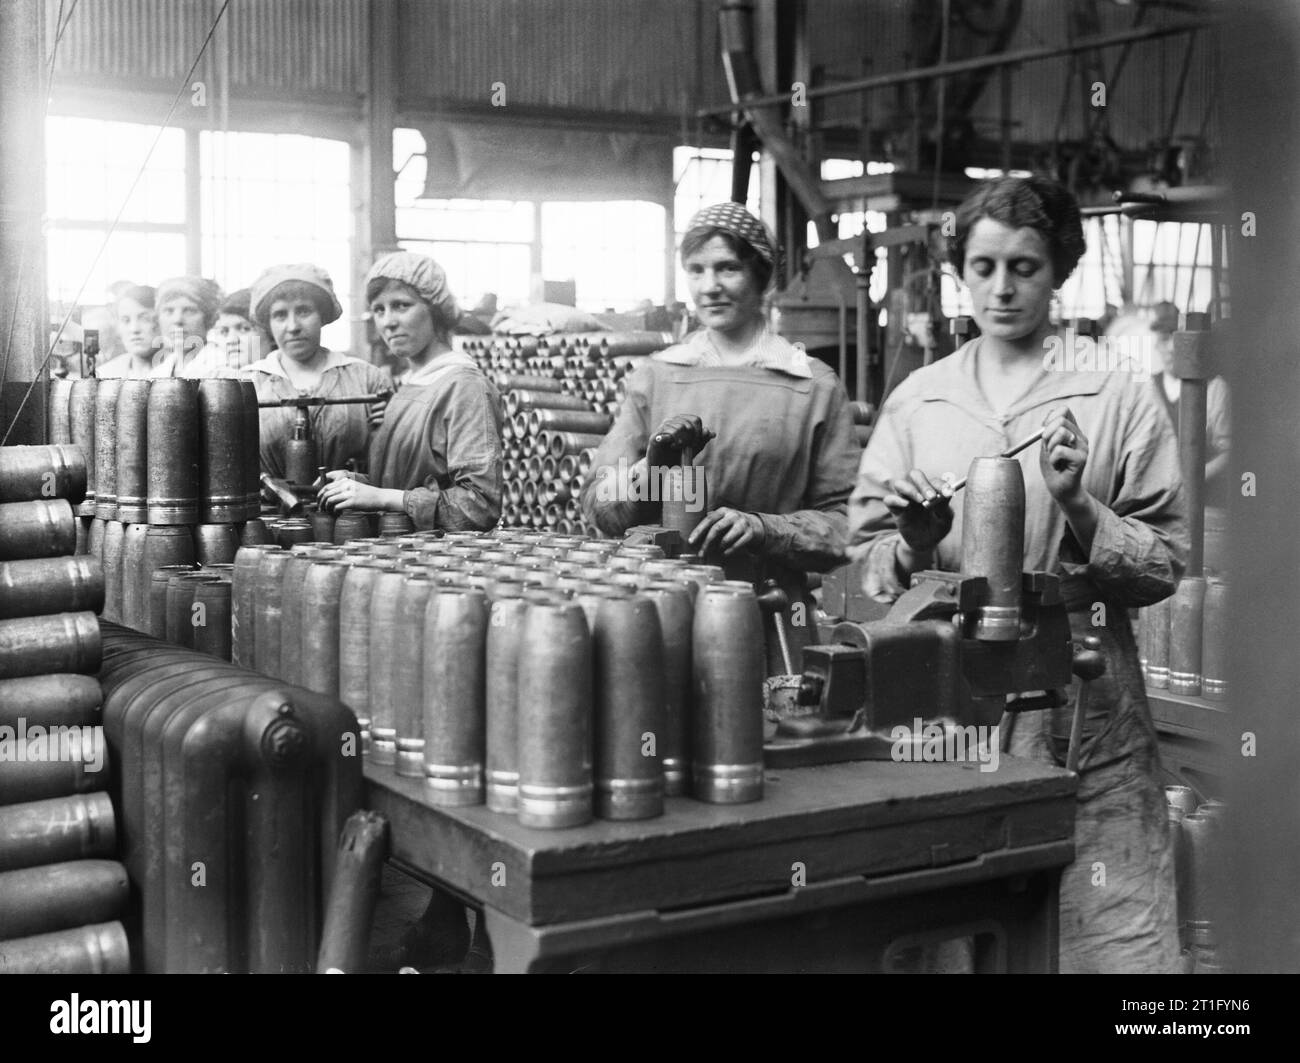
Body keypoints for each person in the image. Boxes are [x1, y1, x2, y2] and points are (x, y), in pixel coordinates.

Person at [847, 175, 1187, 974]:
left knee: (1112, 938)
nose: (1003, 288)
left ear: (1059, 270)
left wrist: (1080, 506)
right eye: (984, 265)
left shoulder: (1116, 394)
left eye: (1025, 266)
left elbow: (1165, 560)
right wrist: (912, 546)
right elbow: (860, 575)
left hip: (1086, 716)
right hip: (946, 717)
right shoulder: (918, 403)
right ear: (959, 271)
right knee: (958, 936)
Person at [579, 202, 859, 674]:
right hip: (659, 617)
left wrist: (766, 528)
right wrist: (653, 470)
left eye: (727, 268)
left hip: (766, 616)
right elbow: (597, 507)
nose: (709, 286)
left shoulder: (811, 383)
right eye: (697, 270)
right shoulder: (658, 376)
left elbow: (850, 525)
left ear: (762, 274)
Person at [317, 251, 502, 531]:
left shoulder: (465, 388)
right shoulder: (407, 385)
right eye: (379, 310)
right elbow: (407, 483)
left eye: (401, 305)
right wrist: (359, 484)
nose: (388, 321)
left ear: (435, 311)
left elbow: (479, 506)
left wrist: (380, 497)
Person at [242, 263, 390, 483]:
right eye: (280, 315)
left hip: (352, 512)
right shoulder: (248, 383)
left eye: (303, 311)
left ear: (322, 315)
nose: (293, 326)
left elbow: (389, 464)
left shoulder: (366, 379)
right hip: (269, 514)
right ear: (268, 323)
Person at [1148, 300, 1231, 573]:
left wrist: (1194, 477)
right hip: (1160, 514)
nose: (1171, 347)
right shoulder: (1149, 387)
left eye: (1176, 337)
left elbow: (1231, 451)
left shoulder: (1216, 389)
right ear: (1156, 344)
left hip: (1207, 514)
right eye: (1163, 339)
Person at [152, 275, 224, 377]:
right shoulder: (157, 374)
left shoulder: (222, 369)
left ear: (209, 318)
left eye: (189, 310)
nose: (177, 320)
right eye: (169, 311)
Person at [95, 285, 160, 379]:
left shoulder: (181, 372)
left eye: (144, 319)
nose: (134, 329)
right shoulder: (105, 375)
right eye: (126, 320)